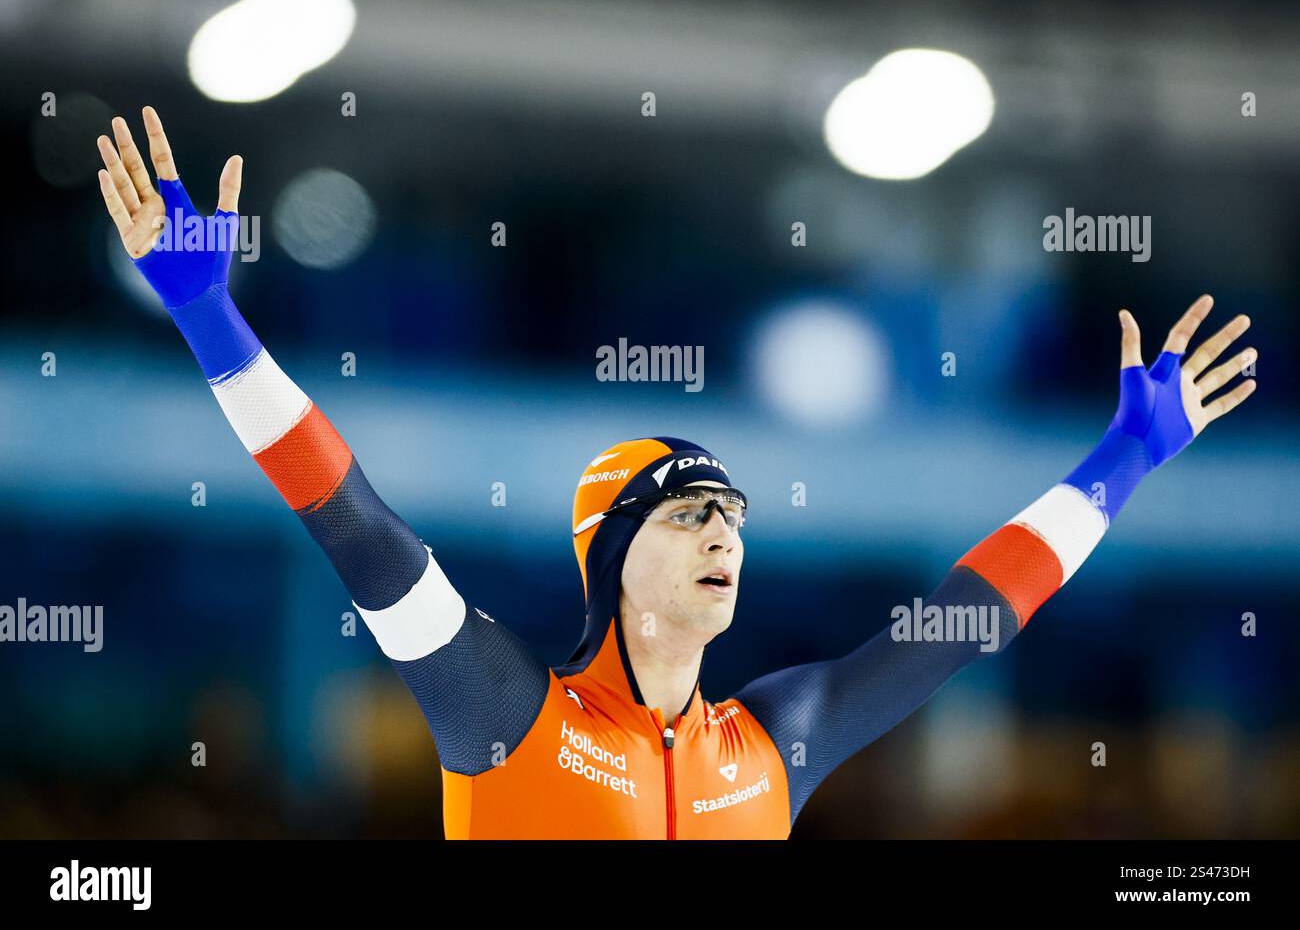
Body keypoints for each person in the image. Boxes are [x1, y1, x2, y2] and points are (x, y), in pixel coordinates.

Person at [95, 107, 1258, 839]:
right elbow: (355, 526)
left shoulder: (780, 736)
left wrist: (1124, 458)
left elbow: (971, 615)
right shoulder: (502, 708)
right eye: (690, 514)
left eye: (734, 518)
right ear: (610, 550)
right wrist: (209, 318)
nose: (724, 537)